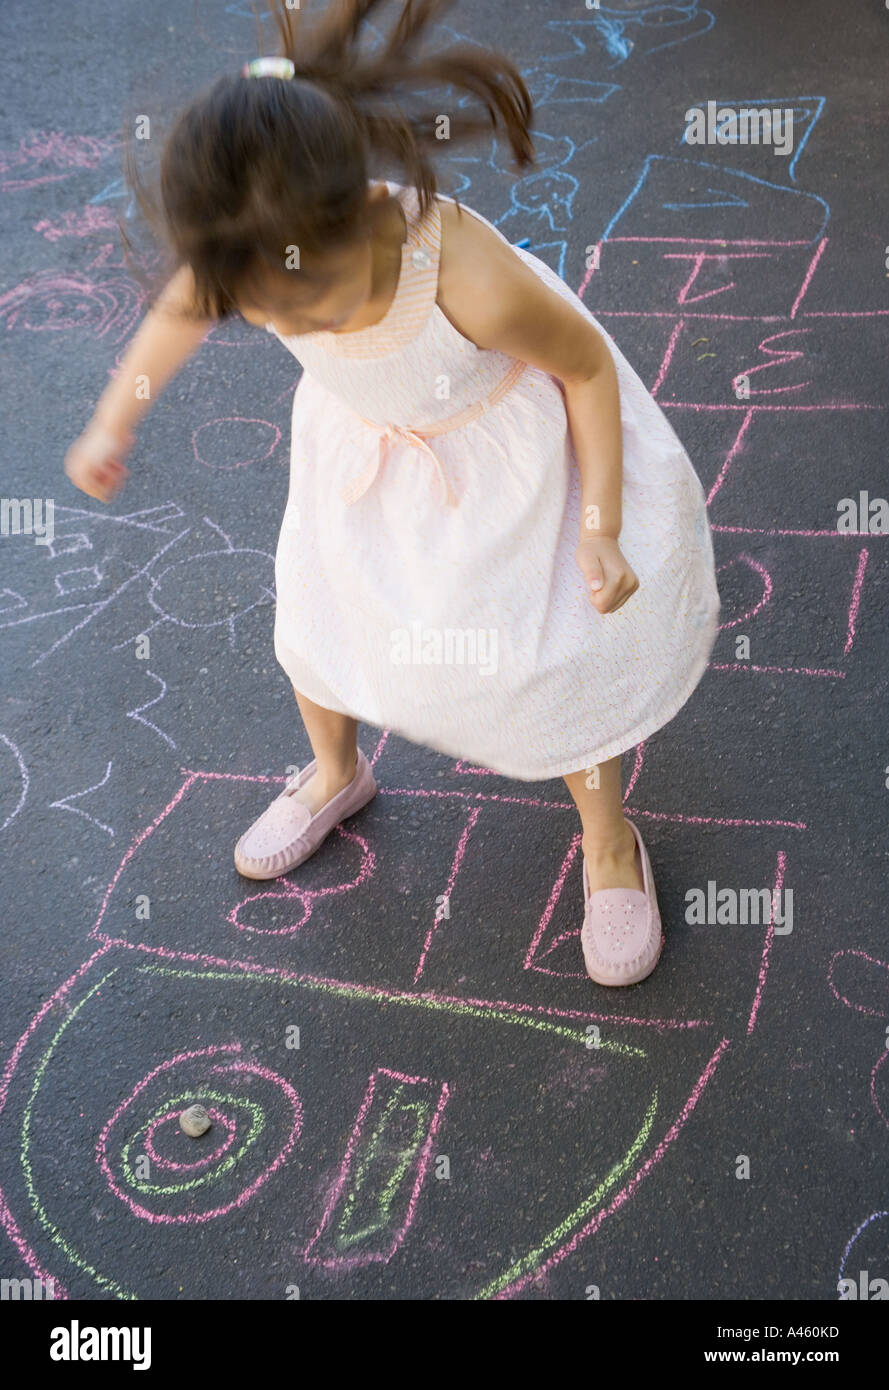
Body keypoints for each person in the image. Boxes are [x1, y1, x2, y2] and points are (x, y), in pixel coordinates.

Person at [64, 0, 721, 987]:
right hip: (367, 456)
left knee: (554, 655)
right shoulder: (254, 250)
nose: (289, 318)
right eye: (263, 308)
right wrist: (115, 420)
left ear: (362, 213)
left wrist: (601, 526)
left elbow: (584, 368)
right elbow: (179, 310)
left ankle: (609, 838)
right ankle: (336, 771)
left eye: (308, 296)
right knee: (321, 620)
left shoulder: (455, 267)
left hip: (502, 463)